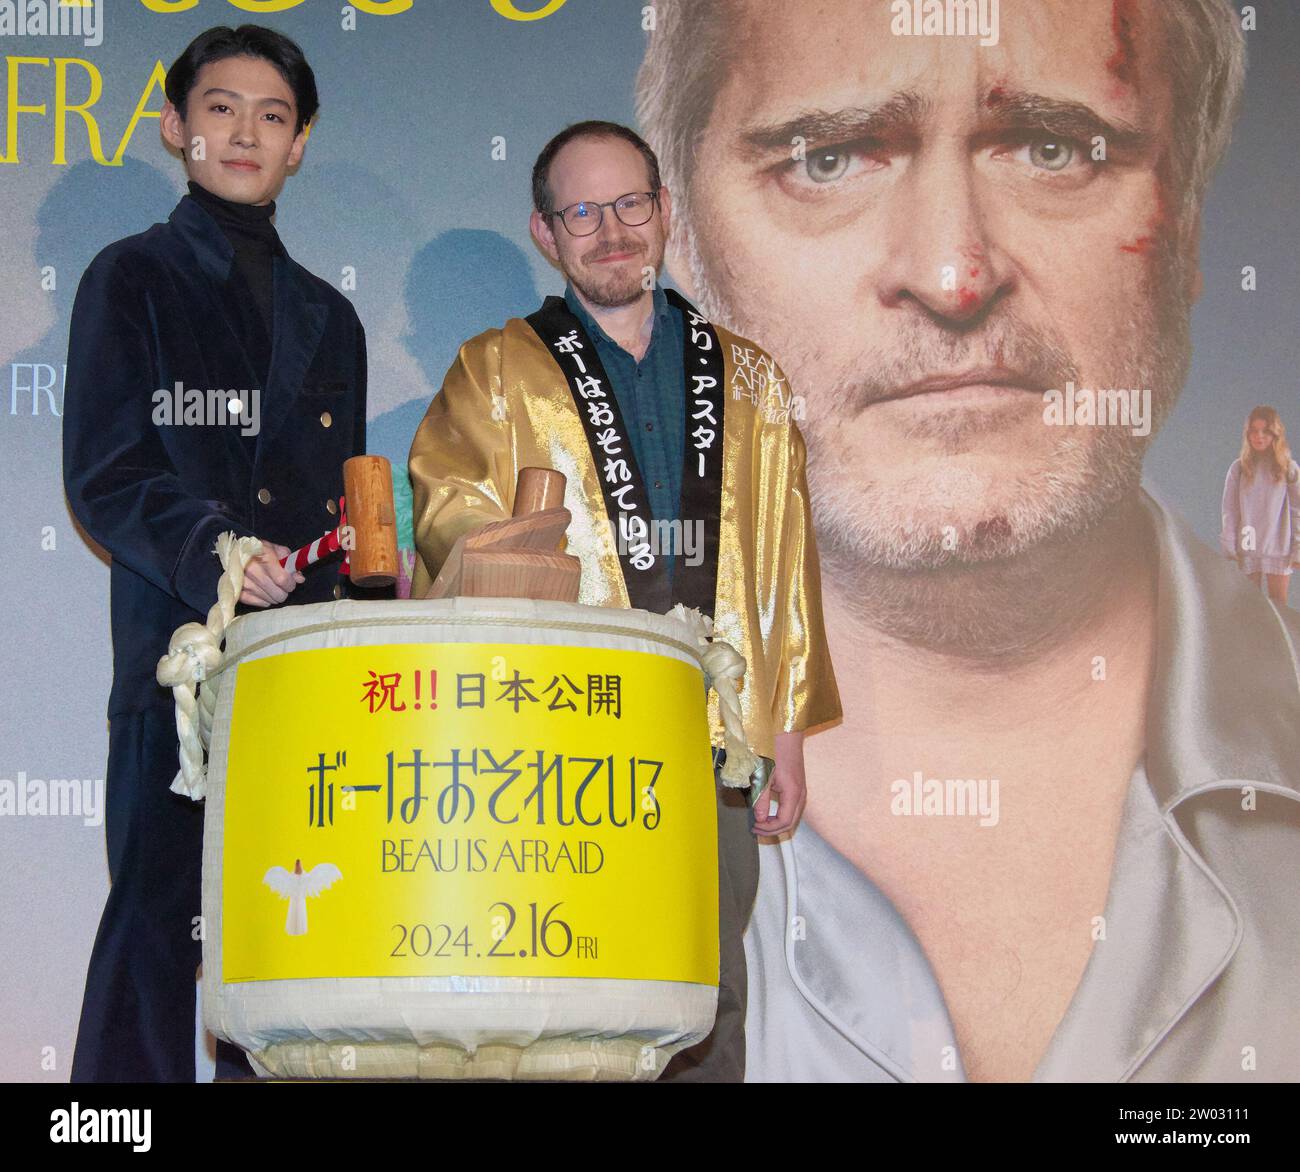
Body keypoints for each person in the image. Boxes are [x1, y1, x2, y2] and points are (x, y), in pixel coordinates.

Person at [637, 0, 1300, 1080]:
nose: (952, 275)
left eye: (1052, 149)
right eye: (829, 157)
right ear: (687, 246)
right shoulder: (512, 799)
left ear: (1185, 229)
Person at [407, 121, 841, 1081]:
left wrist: (788, 734)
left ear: (665, 213)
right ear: (545, 232)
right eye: (583, 212)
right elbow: (445, 514)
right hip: (555, 743)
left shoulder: (749, 379)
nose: (612, 231)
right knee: (558, 998)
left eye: (631, 204)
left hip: (711, 742)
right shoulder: (497, 370)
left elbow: (782, 562)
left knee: (705, 995)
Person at [63, 24, 368, 1081]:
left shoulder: (333, 319)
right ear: (174, 129)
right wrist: (218, 551)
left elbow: (339, 511)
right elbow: (106, 473)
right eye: (222, 108)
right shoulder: (128, 277)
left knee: (280, 949)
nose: (246, 131)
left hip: (298, 689)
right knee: (154, 937)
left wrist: (366, 571)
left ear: (300, 145)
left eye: (273, 114)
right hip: (176, 670)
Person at [1221, 406, 1299, 607]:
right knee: (1249, 606)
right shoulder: (1239, 469)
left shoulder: (1288, 468)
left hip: (1278, 546)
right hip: (1249, 544)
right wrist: (1229, 544)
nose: (1259, 436)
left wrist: (1298, 548)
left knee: (1278, 608)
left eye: (1265, 431)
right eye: (1254, 431)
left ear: (1275, 434)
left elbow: (1297, 510)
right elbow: (1230, 511)